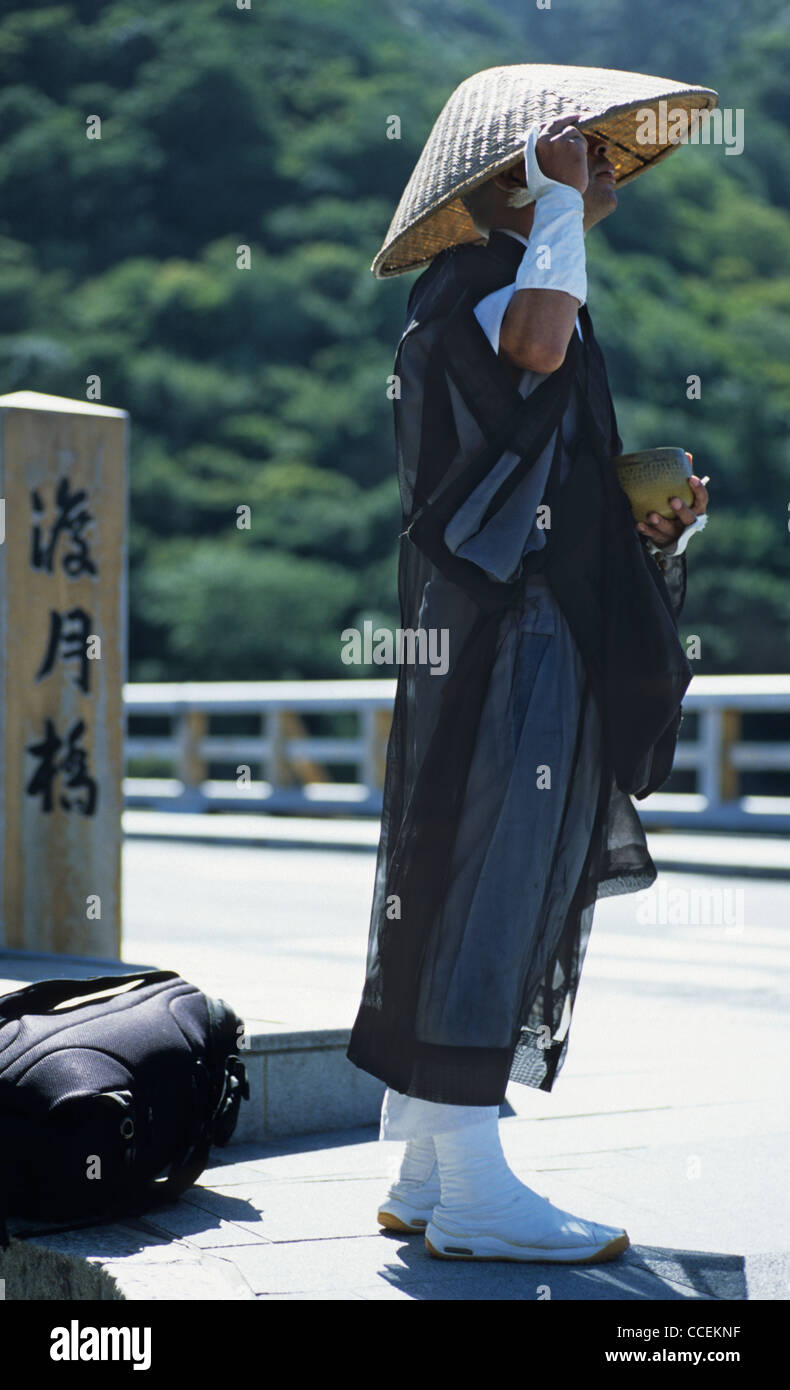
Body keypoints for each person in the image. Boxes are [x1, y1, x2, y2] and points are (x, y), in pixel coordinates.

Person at [346, 64, 715, 1264]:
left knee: (463, 866)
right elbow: (541, 350)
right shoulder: (487, 281)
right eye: (581, 152)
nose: (605, 172)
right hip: (516, 638)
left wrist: (646, 527)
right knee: (495, 878)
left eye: (602, 159)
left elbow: (536, 464)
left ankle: (421, 1170)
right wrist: (557, 206)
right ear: (515, 171)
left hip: (512, 622)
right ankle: (477, 1196)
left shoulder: (494, 282)